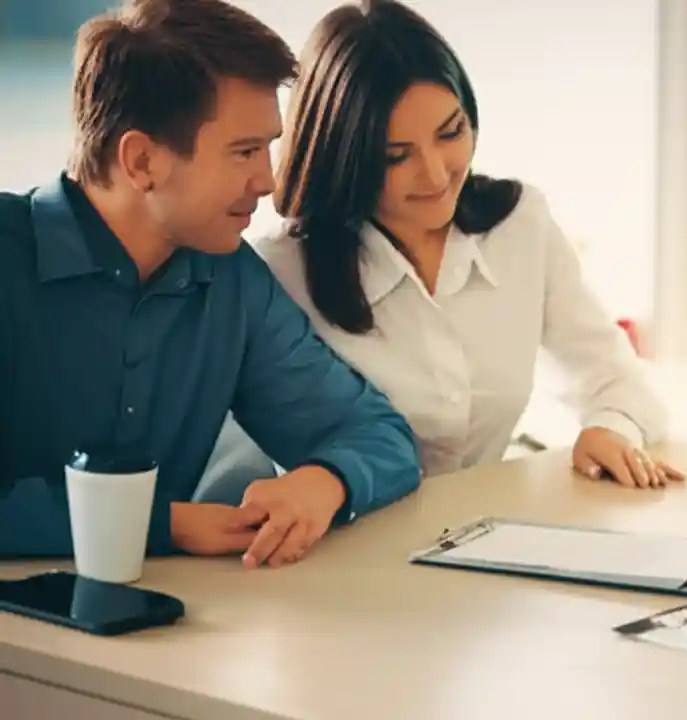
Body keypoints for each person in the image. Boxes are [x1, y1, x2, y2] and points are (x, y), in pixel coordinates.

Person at [0, 0, 421, 569]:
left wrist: (324, 483)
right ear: (142, 160)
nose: (269, 181)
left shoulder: (230, 279)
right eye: (244, 151)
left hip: (150, 639)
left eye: (269, 147)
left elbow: (377, 433)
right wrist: (163, 522)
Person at [255, 0, 681, 489]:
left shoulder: (520, 223)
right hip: (346, 544)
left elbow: (617, 379)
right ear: (343, 158)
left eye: (450, 132)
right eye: (396, 157)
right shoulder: (283, 269)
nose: (436, 175)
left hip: (485, 532)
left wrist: (610, 429)